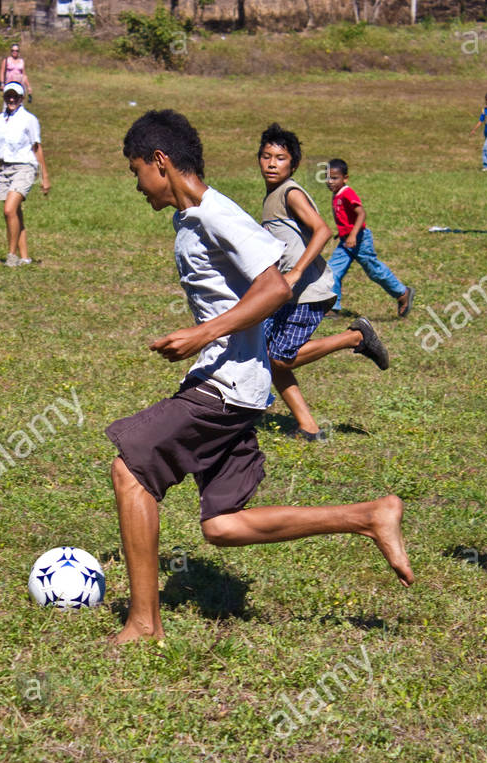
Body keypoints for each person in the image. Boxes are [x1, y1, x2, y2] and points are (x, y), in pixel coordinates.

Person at [106, 109, 413, 646]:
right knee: (221, 524)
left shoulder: (215, 213)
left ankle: (143, 623)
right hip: (238, 386)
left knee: (130, 469)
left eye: (137, 172)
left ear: (161, 162)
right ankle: (369, 516)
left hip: (224, 386)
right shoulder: (191, 217)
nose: (136, 187)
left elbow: (274, 289)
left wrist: (202, 336)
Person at [257, 124, 389, 442]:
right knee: (267, 354)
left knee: (280, 357)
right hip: (286, 293)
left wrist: (298, 272)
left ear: (293, 164)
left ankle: (354, 337)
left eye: (280, 158)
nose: (272, 163)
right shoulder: (272, 196)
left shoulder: (290, 192)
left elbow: (322, 230)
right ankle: (309, 427)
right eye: (266, 156)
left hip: (308, 291)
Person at [325, 158, 413, 318]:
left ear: (345, 178)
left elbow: (361, 213)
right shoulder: (336, 194)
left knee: (374, 271)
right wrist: (344, 232)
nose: (330, 181)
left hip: (359, 240)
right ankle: (333, 307)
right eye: (328, 177)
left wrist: (352, 234)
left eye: (335, 178)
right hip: (346, 241)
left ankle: (402, 292)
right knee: (332, 270)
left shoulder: (347, 193)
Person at [0, 82, 50, 267]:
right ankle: (25, 258)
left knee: (8, 210)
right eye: (8, 95)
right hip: (4, 169)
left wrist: (44, 176)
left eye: (15, 96)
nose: (11, 99)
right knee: (14, 213)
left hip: (25, 167)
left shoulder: (29, 119)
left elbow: (36, 147)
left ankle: (11, 255)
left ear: (21, 98)